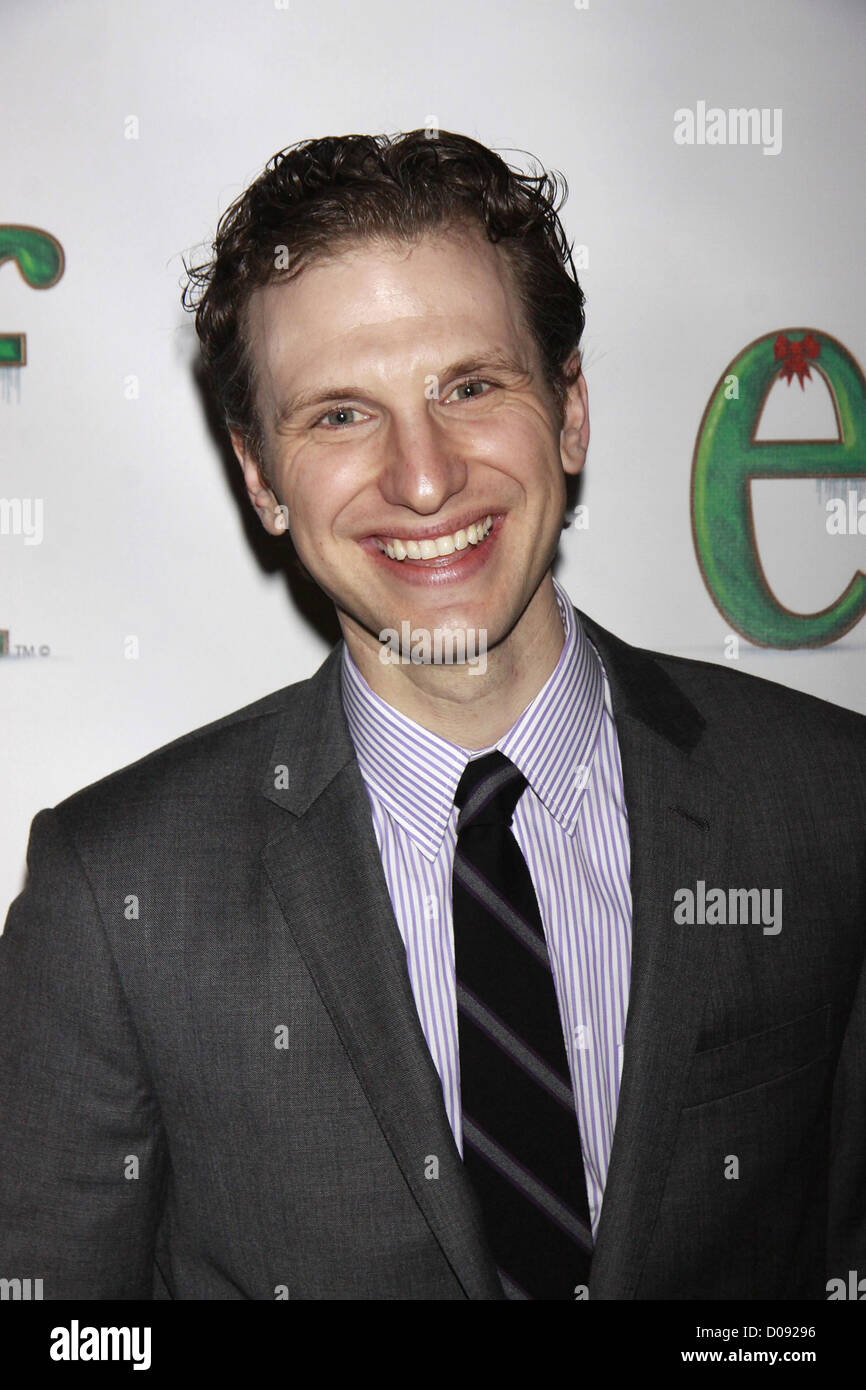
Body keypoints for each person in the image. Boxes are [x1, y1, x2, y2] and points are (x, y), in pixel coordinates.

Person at [1, 130, 864, 1301]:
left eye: (468, 386)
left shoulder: (826, 803)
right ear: (259, 477)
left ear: (568, 410)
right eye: (339, 416)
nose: (422, 477)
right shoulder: (118, 892)